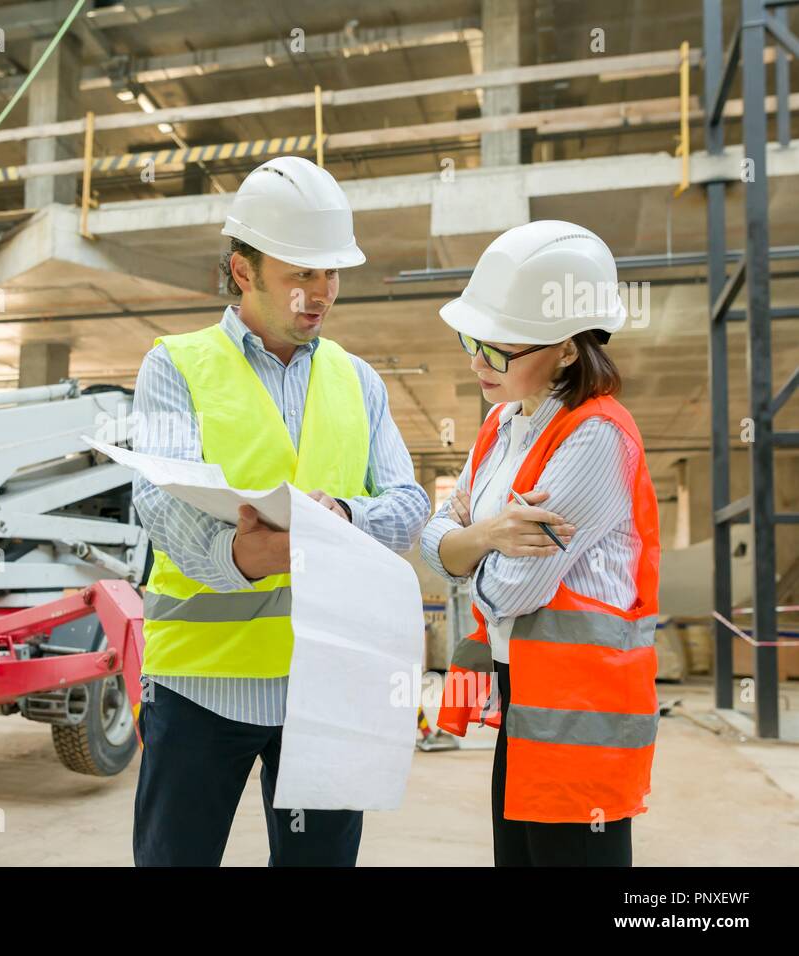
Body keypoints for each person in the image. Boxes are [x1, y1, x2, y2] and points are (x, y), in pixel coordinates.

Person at [130, 155, 430, 866]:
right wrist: (241, 558)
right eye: (301, 272)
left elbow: (409, 500)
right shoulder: (175, 364)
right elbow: (160, 501)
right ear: (244, 269)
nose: (321, 293)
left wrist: (346, 521)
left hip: (328, 683)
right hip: (202, 684)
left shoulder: (359, 380)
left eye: (331, 273)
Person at [422, 220, 660, 867]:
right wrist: (488, 537)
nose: (478, 363)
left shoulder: (597, 439)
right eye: (474, 342)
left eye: (500, 350)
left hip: (579, 709)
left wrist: (467, 545)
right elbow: (432, 536)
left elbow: (508, 589)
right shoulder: (501, 427)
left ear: (565, 349)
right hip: (519, 690)